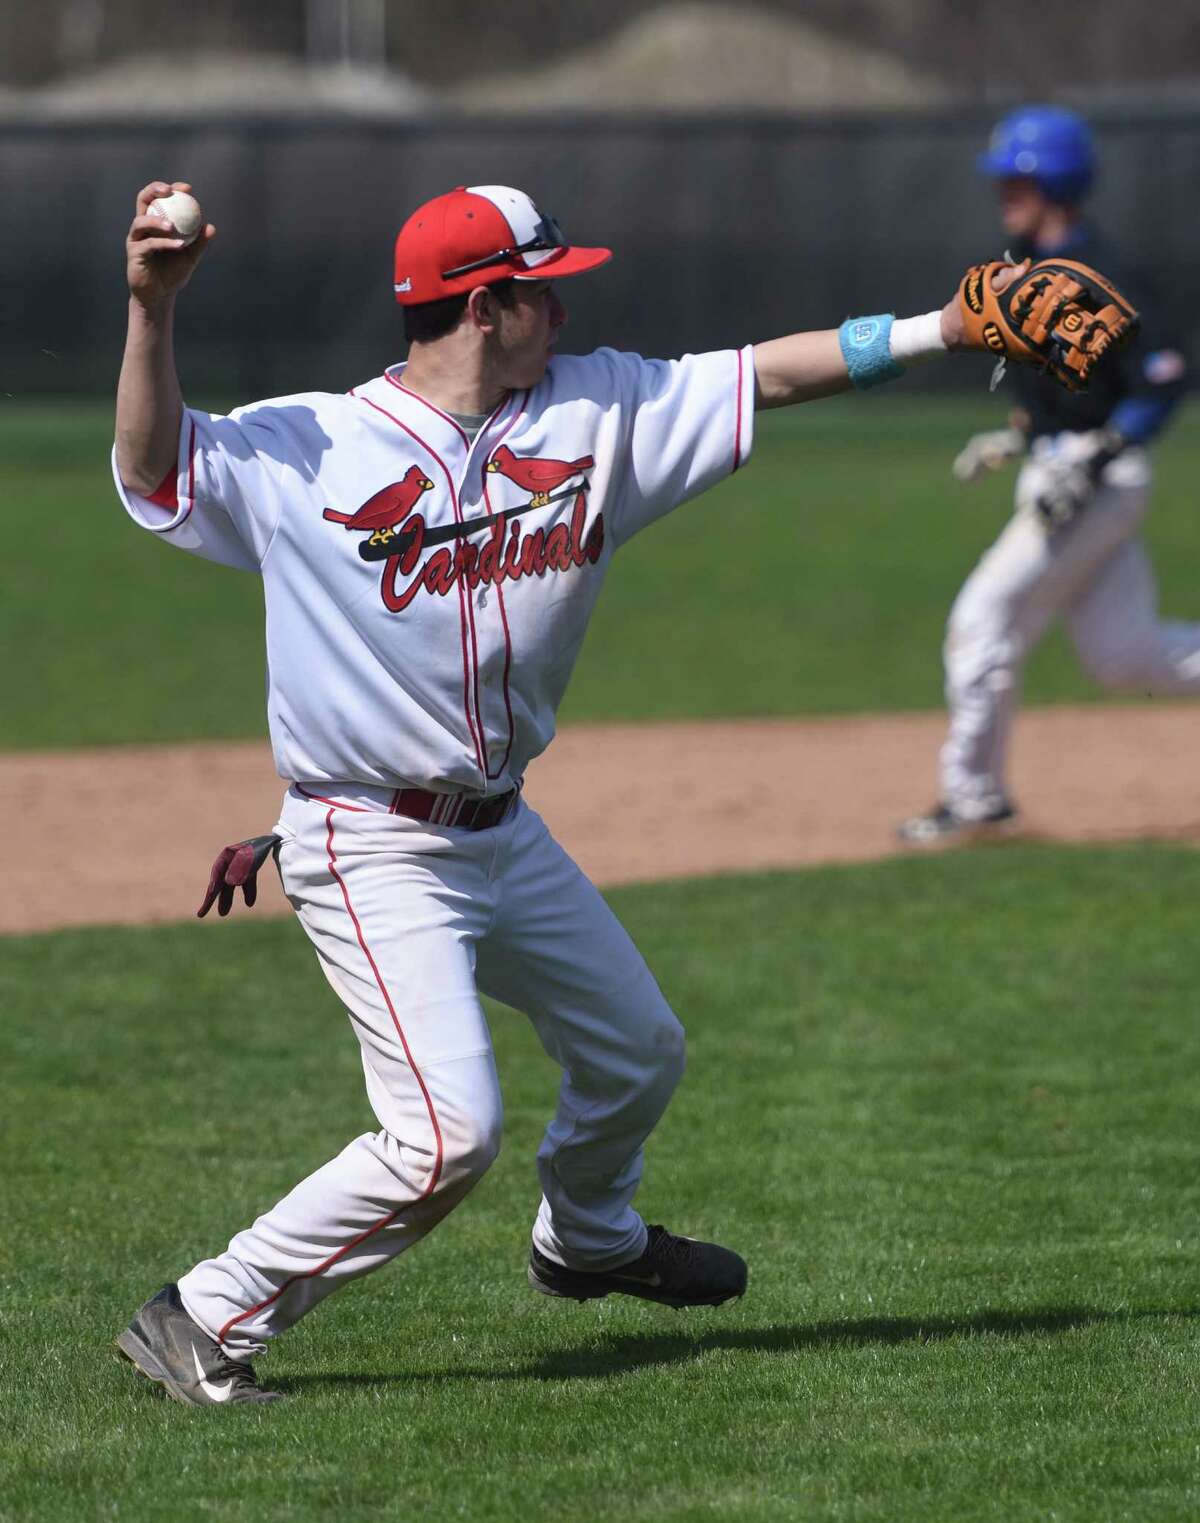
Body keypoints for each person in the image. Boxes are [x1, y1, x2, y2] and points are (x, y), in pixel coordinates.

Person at [113, 177, 1041, 1406]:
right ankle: (204, 1313)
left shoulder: (596, 409)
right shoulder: (310, 443)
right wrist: (149, 310)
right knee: (447, 1135)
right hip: (367, 838)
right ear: (484, 307)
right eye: (543, 290)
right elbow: (157, 468)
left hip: (502, 829)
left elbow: (764, 374)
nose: (566, 307)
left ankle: (589, 1240)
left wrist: (945, 330)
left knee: (639, 1051)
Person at [898, 106, 1195, 846]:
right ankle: (977, 800)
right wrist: (1017, 436)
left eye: (1017, 177)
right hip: (1059, 468)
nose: (1004, 190)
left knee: (982, 621)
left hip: (1101, 479)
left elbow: (1160, 384)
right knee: (1125, 657)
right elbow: (1067, 391)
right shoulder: (1024, 273)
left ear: (1057, 181)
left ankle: (975, 802)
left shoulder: (1110, 274)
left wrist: (1094, 454)